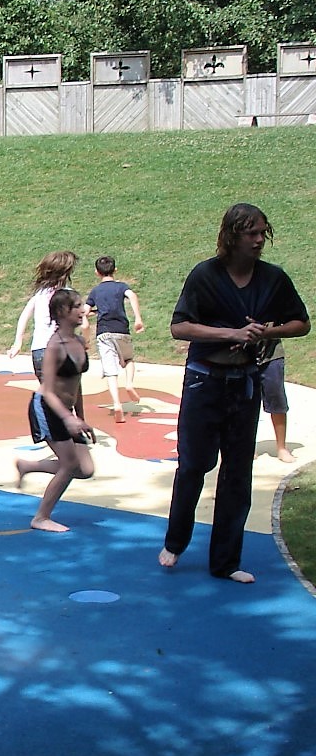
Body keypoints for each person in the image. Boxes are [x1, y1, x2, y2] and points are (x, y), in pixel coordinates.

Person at [160, 204, 309, 582]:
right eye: (251, 233)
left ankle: (226, 561)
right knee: (194, 464)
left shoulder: (272, 279)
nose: (259, 240)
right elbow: (180, 328)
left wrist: (268, 332)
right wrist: (230, 334)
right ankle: (175, 542)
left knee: (238, 473)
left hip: (245, 383)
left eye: (263, 233)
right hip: (204, 380)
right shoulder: (205, 275)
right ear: (231, 235)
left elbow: (301, 323)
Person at [15, 289, 95, 532]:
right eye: (77, 306)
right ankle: (41, 517)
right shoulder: (54, 346)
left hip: (67, 412)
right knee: (70, 465)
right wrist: (68, 418)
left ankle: (28, 466)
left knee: (86, 470)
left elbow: (76, 383)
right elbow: (49, 390)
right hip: (47, 408)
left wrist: (80, 417)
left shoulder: (79, 342)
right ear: (61, 312)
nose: (83, 310)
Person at [86, 255, 144, 423]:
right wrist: (138, 318)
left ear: (97, 272)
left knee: (110, 371)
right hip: (121, 330)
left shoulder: (96, 291)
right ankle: (129, 384)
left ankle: (117, 404)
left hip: (103, 333)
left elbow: (85, 309)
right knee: (128, 359)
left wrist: (96, 312)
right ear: (115, 270)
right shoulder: (121, 287)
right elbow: (132, 296)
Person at [9, 251, 78, 375]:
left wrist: (18, 342)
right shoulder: (68, 294)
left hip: (40, 349)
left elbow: (24, 315)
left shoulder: (40, 293)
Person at [261, 343, 296, 463]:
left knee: (276, 397)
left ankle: (281, 448)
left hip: (272, 354)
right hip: (243, 355)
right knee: (246, 402)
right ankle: (247, 447)